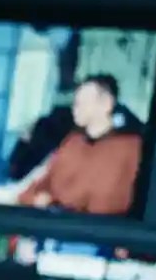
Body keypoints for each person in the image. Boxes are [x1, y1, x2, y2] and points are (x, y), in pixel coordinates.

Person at [16, 74, 142, 216]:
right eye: (76, 102)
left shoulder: (130, 148)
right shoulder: (72, 142)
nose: (76, 108)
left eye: (83, 102)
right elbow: (35, 188)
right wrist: (38, 200)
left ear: (106, 104)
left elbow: (109, 203)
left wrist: (59, 202)